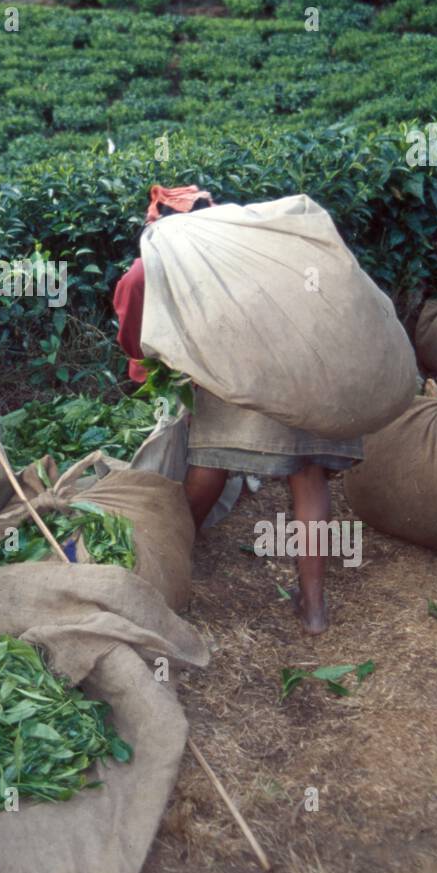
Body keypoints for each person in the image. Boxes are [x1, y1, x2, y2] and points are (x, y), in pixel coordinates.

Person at [113, 183, 363, 636]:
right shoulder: (246, 240)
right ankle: (314, 609)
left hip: (251, 367)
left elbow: (136, 339)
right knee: (308, 475)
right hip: (315, 362)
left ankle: (172, 559)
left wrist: (154, 371)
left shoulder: (150, 264)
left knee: (211, 458)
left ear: (157, 226)